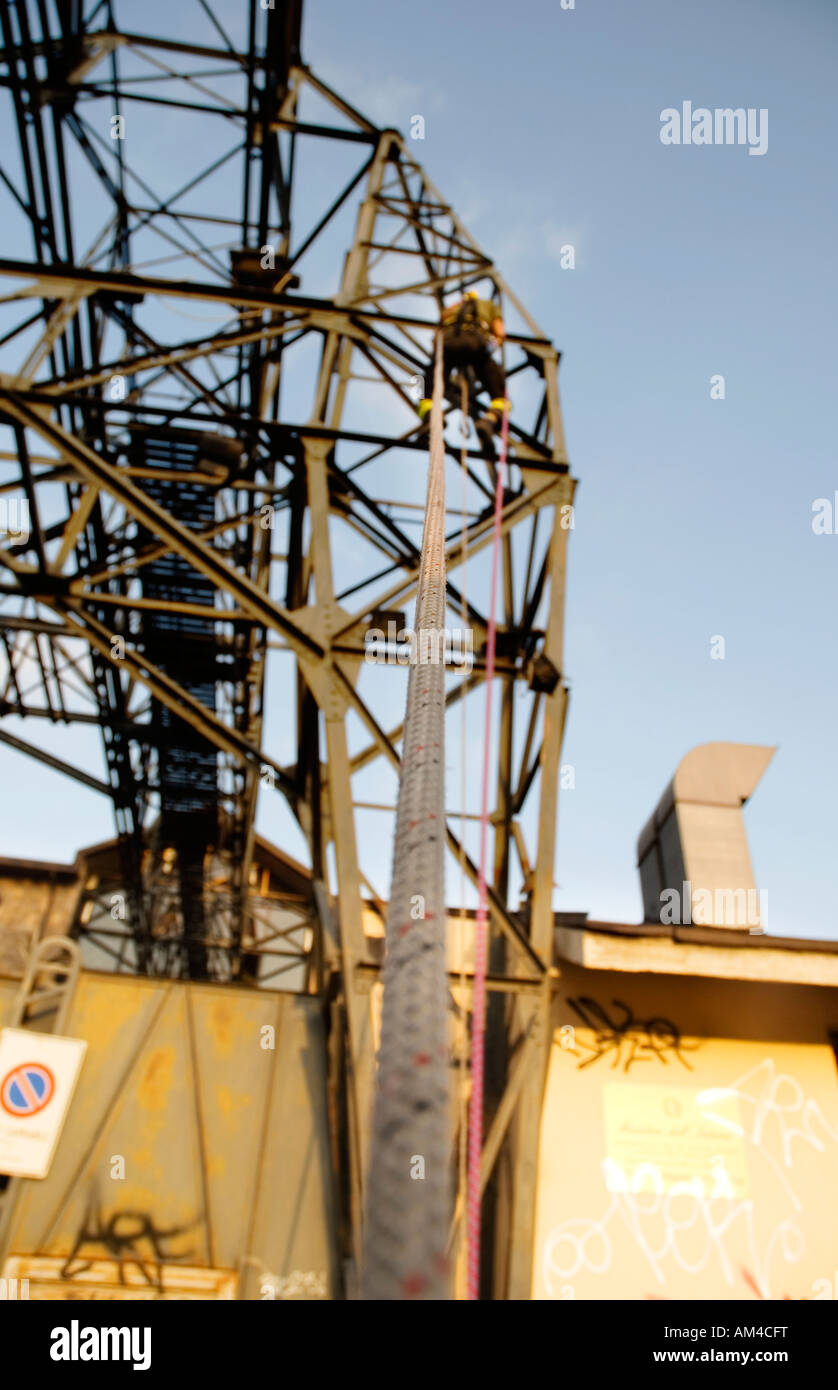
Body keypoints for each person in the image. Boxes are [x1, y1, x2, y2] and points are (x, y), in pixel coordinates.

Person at [417, 291, 511, 454]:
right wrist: (494, 344)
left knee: (425, 387)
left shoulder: (453, 308)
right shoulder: (489, 306)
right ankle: (490, 420)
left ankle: (430, 419)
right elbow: (499, 332)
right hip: (474, 341)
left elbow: (438, 329)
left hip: (448, 343)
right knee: (500, 395)